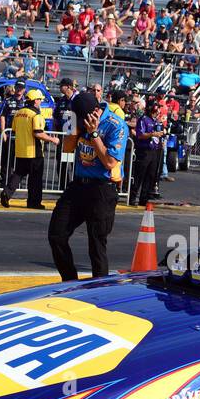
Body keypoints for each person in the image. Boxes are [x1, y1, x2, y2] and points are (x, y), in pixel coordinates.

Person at [48, 90, 126, 281]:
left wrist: (94, 134)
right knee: (56, 234)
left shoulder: (117, 125)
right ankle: (70, 282)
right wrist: (73, 128)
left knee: (97, 243)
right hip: (79, 185)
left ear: (96, 112)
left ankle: (100, 291)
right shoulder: (73, 118)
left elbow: (109, 162)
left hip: (102, 188)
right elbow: (67, 148)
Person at [2, 89, 55, 209]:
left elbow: (14, 130)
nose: (40, 102)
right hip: (34, 151)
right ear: (35, 100)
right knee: (35, 179)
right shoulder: (36, 115)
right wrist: (52, 139)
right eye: (40, 100)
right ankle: (34, 202)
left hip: (21, 150)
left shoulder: (19, 113)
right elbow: (38, 133)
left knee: (18, 174)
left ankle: (7, 192)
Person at [131, 92, 165, 207]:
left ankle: (143, 199)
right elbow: (140, 135)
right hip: (144, 151)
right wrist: (152, 134)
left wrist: (162, 135)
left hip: (154, 151)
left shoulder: (156, 121)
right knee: (139, 175)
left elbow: (159, 134)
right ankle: (132, 197)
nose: (158, 112)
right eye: (156, 109)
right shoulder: (143, 119)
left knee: (150, 176)